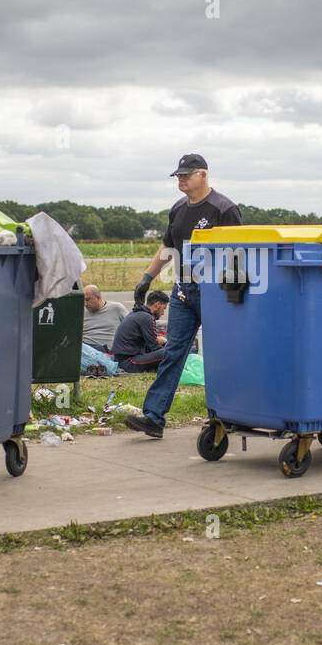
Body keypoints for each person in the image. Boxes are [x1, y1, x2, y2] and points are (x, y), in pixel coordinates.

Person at [124, 154, 240, 437]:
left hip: (215, 290)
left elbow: (239, 254)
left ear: (204, 175)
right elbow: (167, 247)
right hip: (183, 290)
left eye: (187, 175)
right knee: (174, 351)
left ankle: (222, 416)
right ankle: (153, 416)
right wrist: (147, 278)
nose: (182, 180)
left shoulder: (224, 209)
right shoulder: (177, 209)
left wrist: (234, 290)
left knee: (220, 354)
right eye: (178, 176)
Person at [111, 291, 169, 372]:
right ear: (158, 304)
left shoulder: (137, 313)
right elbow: (154, 347)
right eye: (164, 308)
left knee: (170, 350)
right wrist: (165, 342)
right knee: (171, 351)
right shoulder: (147, 318)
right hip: (129, 362)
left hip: (121, 359)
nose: (163, 313)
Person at [81, 284, 128, 351]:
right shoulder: (81, 311)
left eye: (88, 299)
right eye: (83, 300)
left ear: (98, 297)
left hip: (107, 350)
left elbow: (130, 326)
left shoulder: (116, 308)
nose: (85, 304)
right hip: (86, 348)